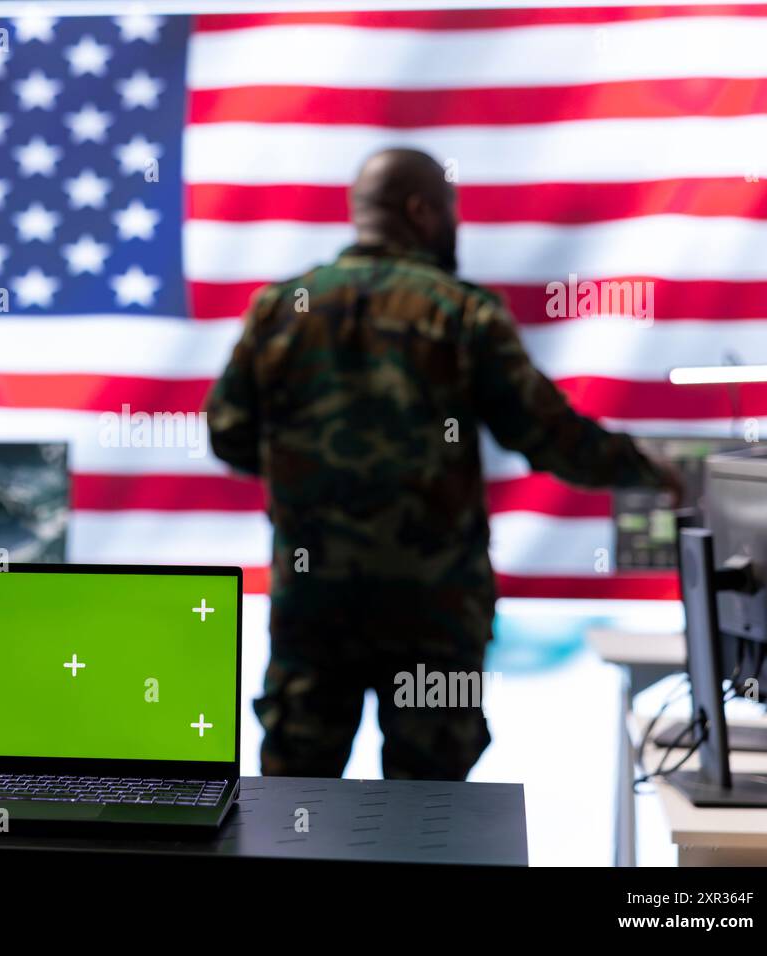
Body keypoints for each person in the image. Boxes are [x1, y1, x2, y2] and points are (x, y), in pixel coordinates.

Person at [204, 148, 683, 781]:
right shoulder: (461, 313)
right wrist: (658, 471)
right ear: (420, 211)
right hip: (433, 614)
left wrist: (312, 475)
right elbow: (550, 436)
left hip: (314, 609)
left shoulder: (280, 310)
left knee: (295, 803)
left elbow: (228, 434)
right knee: (431, 819)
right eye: (451, 211)